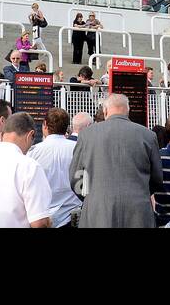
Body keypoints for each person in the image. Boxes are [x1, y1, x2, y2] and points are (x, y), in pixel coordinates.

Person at [69, 93, 164, 228]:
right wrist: (140, 193)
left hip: (97, 212)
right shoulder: (148, 135)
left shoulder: (87, 135)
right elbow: (157, 178)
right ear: (128, 111)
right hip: (138, 212)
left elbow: (76, 176)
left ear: (105, 110)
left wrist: (91, 197)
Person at [28, 108, 80, 228]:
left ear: (45, 125)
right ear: (67, 126)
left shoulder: (34, 152)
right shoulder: (77, 149)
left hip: (43, 216)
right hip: (71, 216)